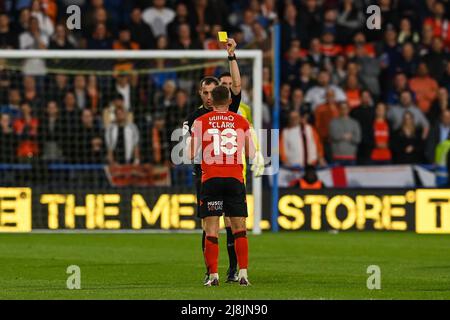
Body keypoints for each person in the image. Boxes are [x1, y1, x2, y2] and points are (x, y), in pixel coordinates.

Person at [182, 38, 243, 284]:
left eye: (212, 92)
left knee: (232, 222)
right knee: (209, 225)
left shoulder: (229, 108)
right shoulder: (194, 118)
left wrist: (231, 56)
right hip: (205, 176)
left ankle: (234, 269)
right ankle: (211, 271)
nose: (209, 97)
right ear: (200, 93)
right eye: (205, 93)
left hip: (229, 172)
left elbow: (237, 85)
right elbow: (190, 150)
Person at [188, 85, 255, 286]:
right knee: (239, 228)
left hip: (211, 180)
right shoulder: (241, 121)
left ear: (212, 101)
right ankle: (242, 274)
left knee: (211, 229)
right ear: (228, 101)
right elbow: (251, 154)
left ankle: (213, 276)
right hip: (234, 179)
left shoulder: (200, 121)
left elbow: (191, 154)